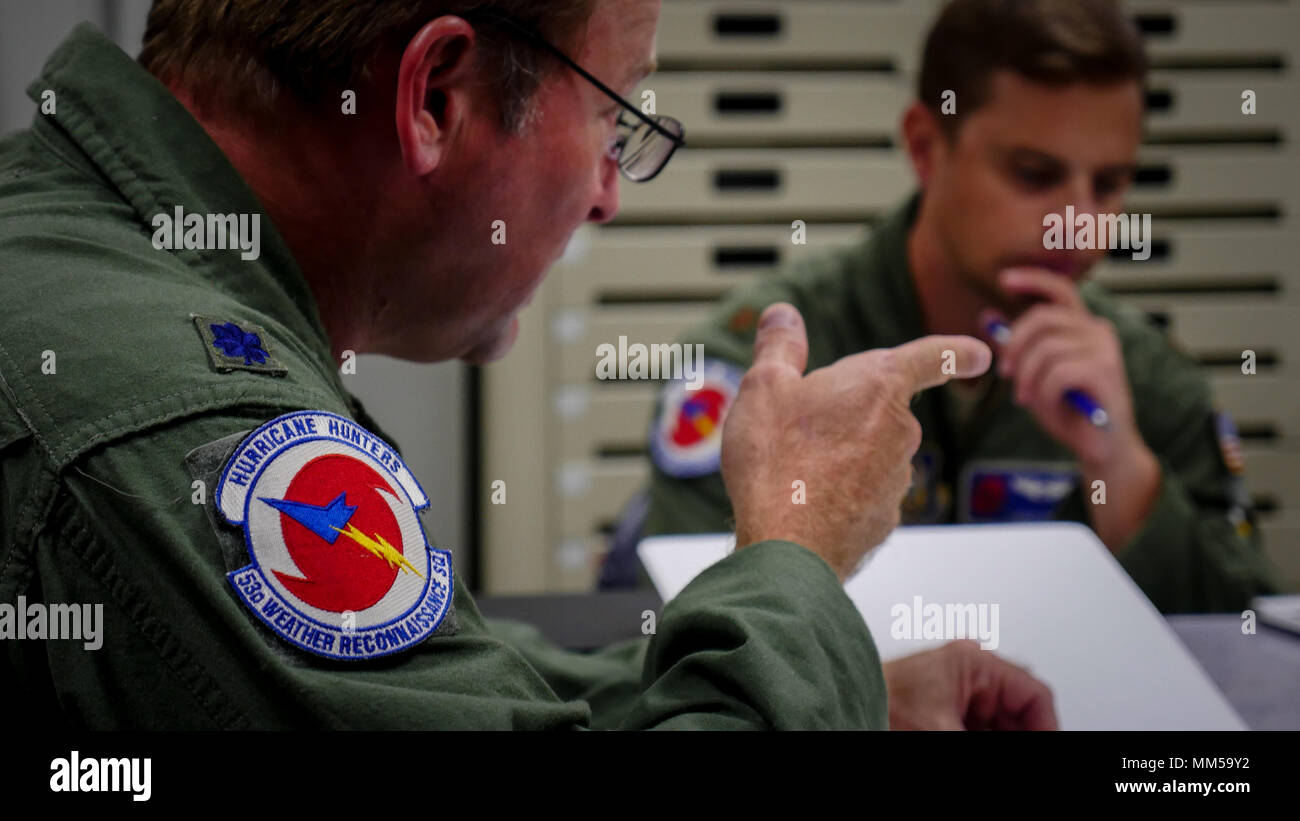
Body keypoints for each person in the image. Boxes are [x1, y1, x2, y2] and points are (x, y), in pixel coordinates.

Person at [0, 0, 1055, 729]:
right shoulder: (178, 422)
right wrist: (799, 543)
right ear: (435, 96)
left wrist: (841, 689)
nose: (608, 195)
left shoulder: (100, 263)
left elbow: (439, 694)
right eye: (613, 119)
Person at [641, 0, 1277, 615]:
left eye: (1108, 185)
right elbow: (688, 638)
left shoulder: (1145, 379)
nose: (1079, 224)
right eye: (1034, 175)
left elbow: (1252, 641)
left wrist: (1123, 471)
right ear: (925, 146)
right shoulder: (762, 366)